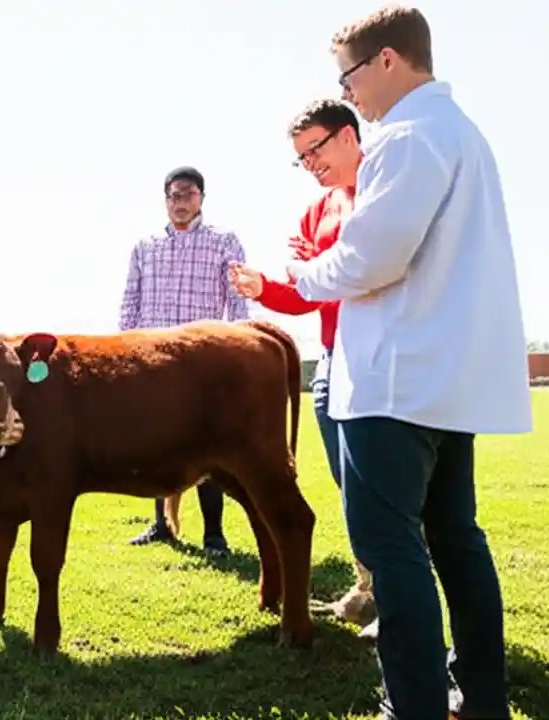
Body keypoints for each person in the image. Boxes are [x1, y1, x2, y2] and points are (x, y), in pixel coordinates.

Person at [288, 6, 531, 718]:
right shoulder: (464, 134)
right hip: (448, 381)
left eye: (350, 76)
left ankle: (414, 704)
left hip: (394, 384)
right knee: (457, 540)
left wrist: (302, 276)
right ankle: (481, 696)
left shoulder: (405, 138)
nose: (350, 93)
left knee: (392, 551)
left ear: (387, 61)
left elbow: (373, 258)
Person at [227, 98, 379, 640]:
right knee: (351, 483)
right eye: (301, 158)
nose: (310, 164)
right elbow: (309, 289)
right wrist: (265, 288)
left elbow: (327, 271)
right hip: (334, 357)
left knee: (384, 485)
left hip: (382, 356)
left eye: (314, 149)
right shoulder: (318, 211)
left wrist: (308, 269)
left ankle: (401, 601)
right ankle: (371, 585)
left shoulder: (385, 189)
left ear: (347, 135)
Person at [119, 165, 249, 554]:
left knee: (208, 446)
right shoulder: (145, 247)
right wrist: (124, 351)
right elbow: (130, 301)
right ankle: (161, 524)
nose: (180, 202)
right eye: (174, 195)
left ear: (201, 199)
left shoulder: (223, 242)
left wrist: (240, 351)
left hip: (201, 362)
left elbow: (238, 300)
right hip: (153, 361)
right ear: (165, 200)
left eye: (188, 194)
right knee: (156, 444)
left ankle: (214, 534)